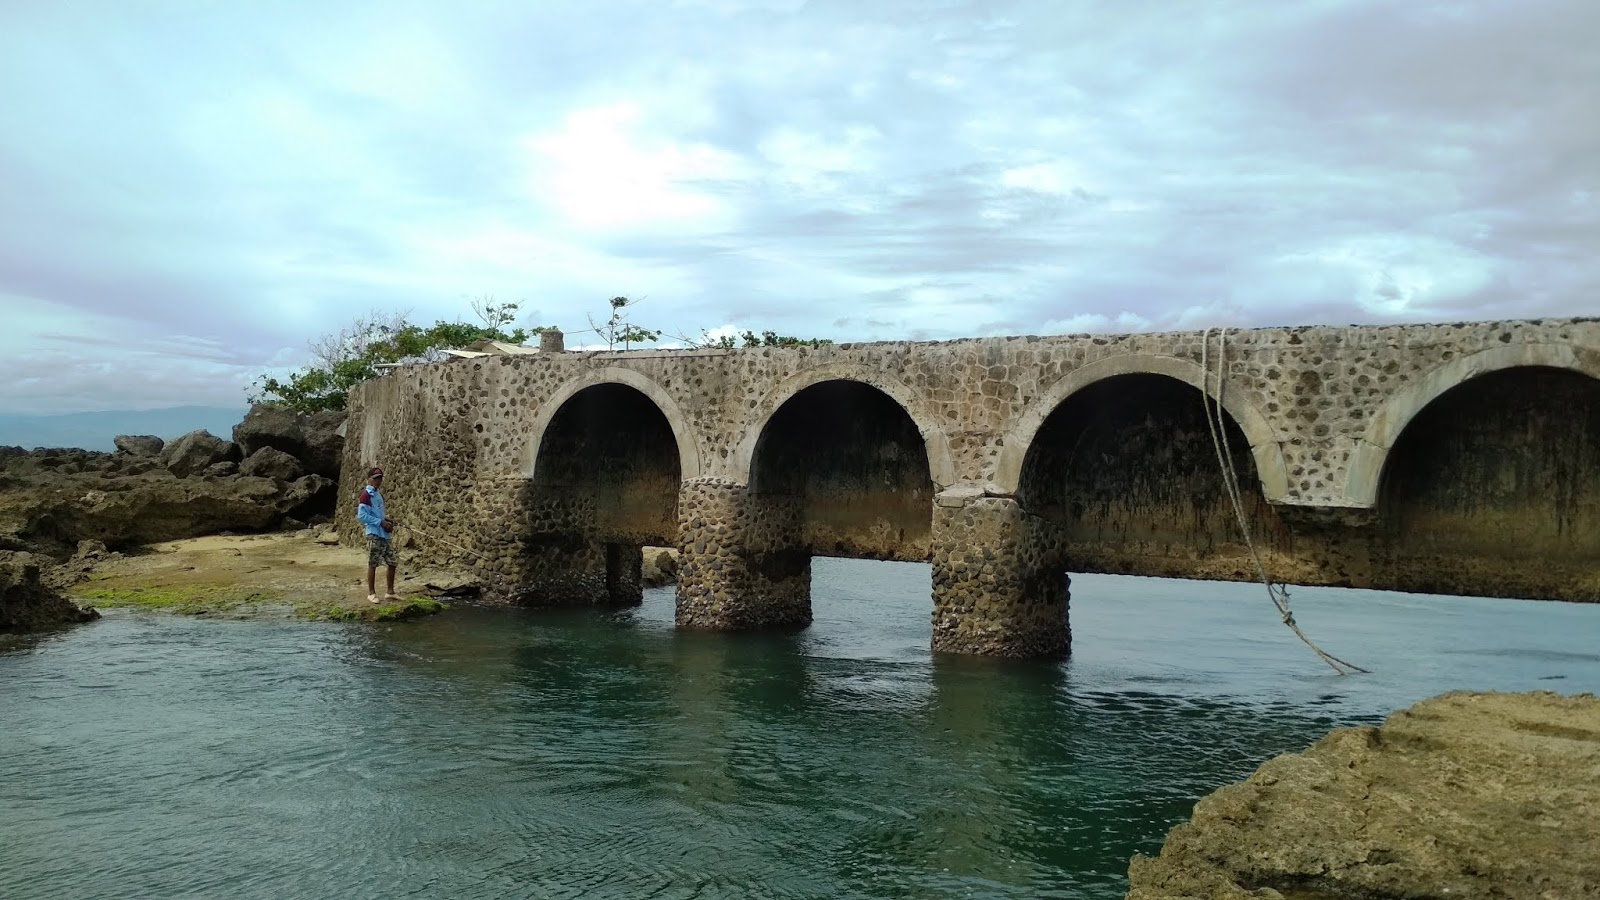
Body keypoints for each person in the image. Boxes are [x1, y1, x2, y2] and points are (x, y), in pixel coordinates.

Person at [357, 466, 399, 603]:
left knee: (392, 562)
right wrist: (380, 522)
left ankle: (390, 592)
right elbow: (362, 516)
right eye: (376, 478)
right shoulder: (366, 495)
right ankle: (371, 593)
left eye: (380, 478)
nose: (378, 481)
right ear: (369, 479)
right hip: (373, 533)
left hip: (384, 535)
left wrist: (386, 520)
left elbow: (378, 514)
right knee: (373, 563)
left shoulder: (379, 495)